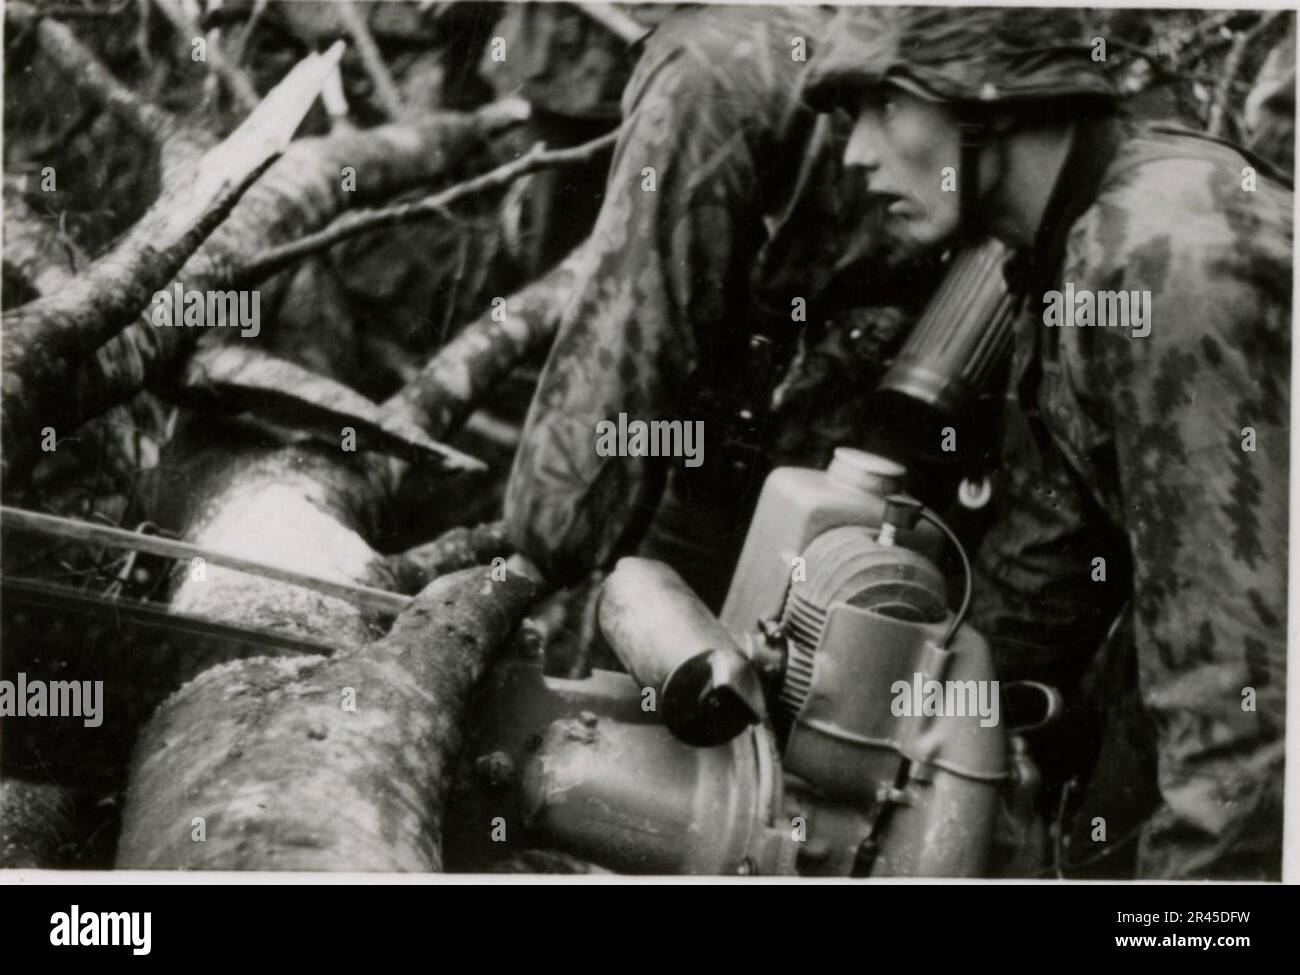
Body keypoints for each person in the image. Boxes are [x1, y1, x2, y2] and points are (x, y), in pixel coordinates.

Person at [801, 5, 1291, 879]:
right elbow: (1048, 561)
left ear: (990, 100)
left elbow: (1248, 713)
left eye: (883, 105)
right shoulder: (1068, 246)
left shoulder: (1164, 258)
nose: (855, 154)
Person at [502, 4, 942, 609]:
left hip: (729, 501)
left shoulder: (711, 65)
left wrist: (542, 551)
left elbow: (634, 339)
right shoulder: (871, 26)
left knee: (650, 682)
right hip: (898, 515)